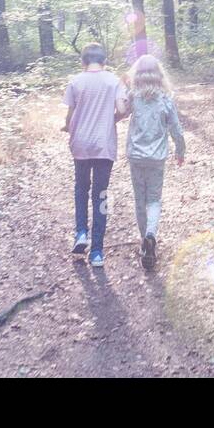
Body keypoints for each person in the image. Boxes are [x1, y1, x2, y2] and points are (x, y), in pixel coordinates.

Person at [61, 42, 127, 267]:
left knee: (81, 188)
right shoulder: (113, 81)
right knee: (101, 195)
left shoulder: (75, 82)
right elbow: (122, 109)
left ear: (83, 61)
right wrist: (112, 119)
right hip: (103, 144)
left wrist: (67, 127)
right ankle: (97, 251)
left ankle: (81, 232)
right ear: (104, 61)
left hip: (80, 144)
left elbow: (69, 117)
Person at [121, 54, 185, 271]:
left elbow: (120, 111)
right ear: (159, 75)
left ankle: (144, 242)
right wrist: (180, 151)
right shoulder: (166, 99)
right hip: (157, 158)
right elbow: (176, 129)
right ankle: (151, 234)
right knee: (154, 200)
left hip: (136, 157)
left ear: (137, 75)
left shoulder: (133, 97)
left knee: (140, 200)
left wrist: (123, 89)